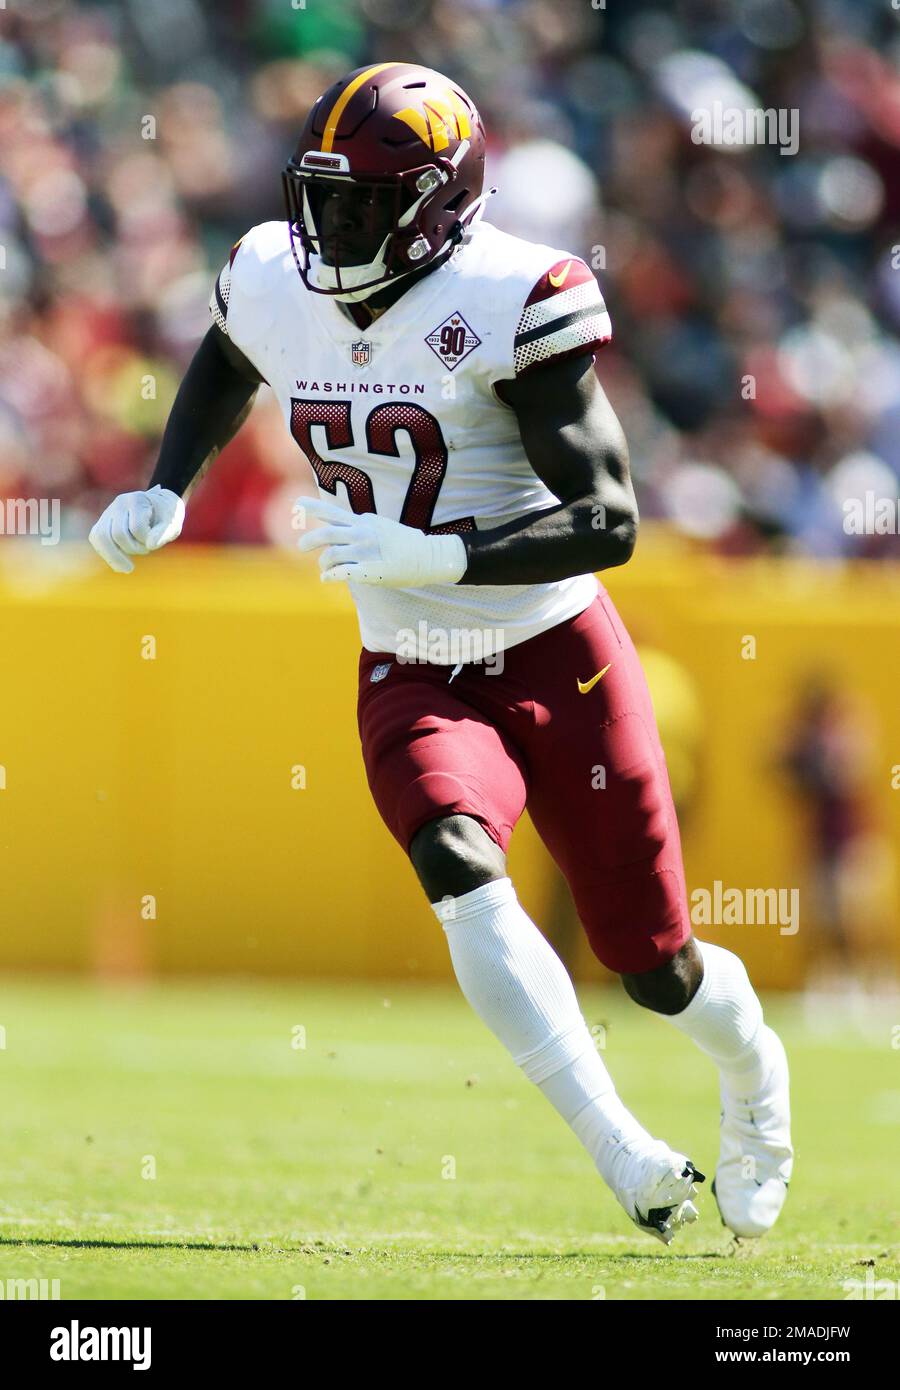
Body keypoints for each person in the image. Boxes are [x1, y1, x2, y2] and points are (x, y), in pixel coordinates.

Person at [90, 61, 792, 1244]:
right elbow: (227, 354)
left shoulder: (513, 294)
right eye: (321, 195)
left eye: (362, 201)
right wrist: (164, 485)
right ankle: (622, 1151)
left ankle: (756, 1082)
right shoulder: (273, 273)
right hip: (408, 663)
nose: (331, 223)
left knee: (655, 964)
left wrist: (440, 554)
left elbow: (610, 517)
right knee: (455, 859)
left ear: (434, 206)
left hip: (554, 651)